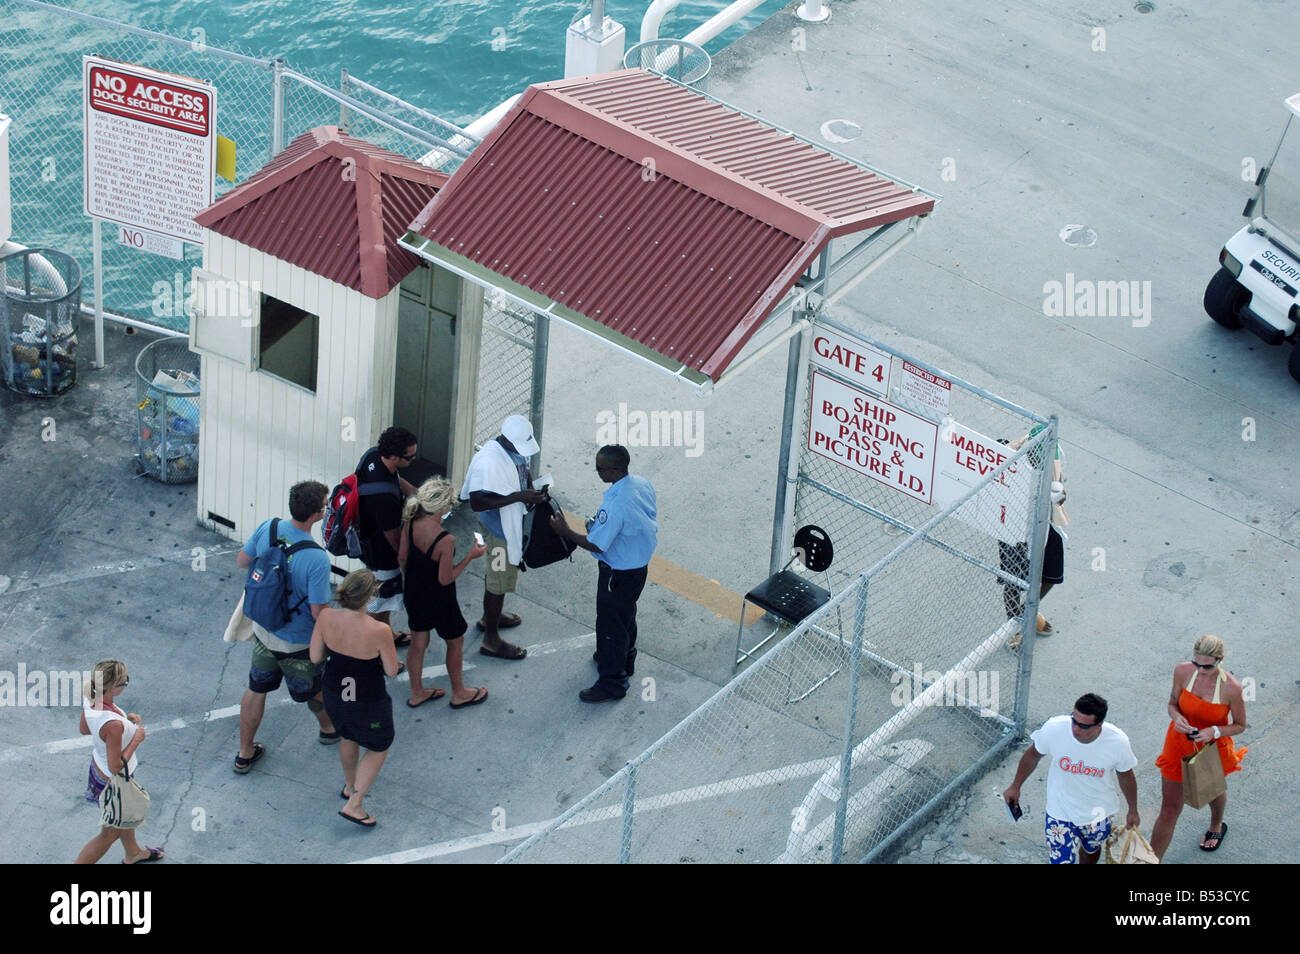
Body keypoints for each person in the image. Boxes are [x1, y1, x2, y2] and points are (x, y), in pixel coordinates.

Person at [234, 480, 338, 772]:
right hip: (298, 643)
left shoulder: (269, 527)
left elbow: (243, 561)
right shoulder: (317, 558)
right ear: (317, 515)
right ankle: (329, 729)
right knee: (314, 689)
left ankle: (244, 753)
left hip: (264, 632)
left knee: (256, 688)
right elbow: (319, 611)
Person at [550, 444, 657, 703]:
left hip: (617, 572)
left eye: (600, 468)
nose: (597, 472)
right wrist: (598, 523)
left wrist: (565, 531)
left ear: (614, 469)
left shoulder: (616, 505)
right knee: (626, 613)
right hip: (637, 566)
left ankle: (612, 681)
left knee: (610, 624)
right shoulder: (641, 484)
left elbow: (597, 544)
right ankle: (626, 658)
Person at [309, 569, 402, 827]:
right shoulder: (379, 630)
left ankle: (351, 786)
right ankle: (355, 804)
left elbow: (316, 657)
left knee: (348, 736)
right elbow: (392, 670)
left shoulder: (326, 616)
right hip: (367, 698)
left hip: (335, 690)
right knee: (379, 745)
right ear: (370, 596)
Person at [1003, 693, 1140, 864]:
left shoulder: (1118, 742)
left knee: (1091, 850)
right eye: (1074, 721)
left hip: (1098, 813)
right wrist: (1015, 786)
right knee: (1060, 861)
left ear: (1099, 725)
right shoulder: (1054, 729)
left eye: (1083, 726)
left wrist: (1133, 809)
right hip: (1059, 813)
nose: (1076, 729)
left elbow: (1126, 775)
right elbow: (1033, 755)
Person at [1150, 634, 1248, 858]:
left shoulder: (1232, 688)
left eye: (1208, 666)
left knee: (1212, 791)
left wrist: (1214, 731)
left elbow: (1240, 725)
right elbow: (1172, 704)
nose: (1201, 670)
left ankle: (1216, 824)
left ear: (1220, 659)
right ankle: (1151, 860)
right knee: (1169, 809)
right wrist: (1176, 718)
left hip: (1209, 749)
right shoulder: (1182, 671)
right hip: (1178, 744)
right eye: (1197, 663)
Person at [460, 414, 546, 660]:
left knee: (497, 579)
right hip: (499, 534)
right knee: (497, 584)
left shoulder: (512, 448)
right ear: (508, 440)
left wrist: (529, 490)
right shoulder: (488, 461)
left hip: (506, 528)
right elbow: (477, 502)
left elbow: (523, 470)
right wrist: (520, 497)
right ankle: (491, 640)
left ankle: (490, 618)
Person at [399, 477, 490, 708]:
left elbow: (402, 557)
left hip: (414, 591)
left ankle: (416, 692)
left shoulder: (410, 522)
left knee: (418, 642)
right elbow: (445, 578)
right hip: (440, 600)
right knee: (455, 642)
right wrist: (470, 556)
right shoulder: (444, 539)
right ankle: (459, 692)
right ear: (442, 507)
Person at [75, 660, 164, 864]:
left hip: (99, 770)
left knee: (125, 816)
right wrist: (135, 739)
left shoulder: (92, 696)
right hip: (113, 781)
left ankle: (133, 853)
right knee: (108, 835)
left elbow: (85, 728)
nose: (126, 684)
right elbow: (116, 766)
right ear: (113, 688)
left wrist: (128, 723)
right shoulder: (114, 725)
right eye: (125, 682)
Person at [1001, 426, 1067, 649]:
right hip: (1017, 530)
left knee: (1052, 575)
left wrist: (1059, 497)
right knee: (1014, 582)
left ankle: (1028, 611)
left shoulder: (1055, 454)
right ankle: (1016, 627)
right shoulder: (1014, 464)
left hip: (1046, 525)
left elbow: (1059, 483)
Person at [356, 426, 420, 648]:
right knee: (381, 604)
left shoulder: (374, 455)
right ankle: (377, 650)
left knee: (380, 602)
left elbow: (396, 478)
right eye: (410, 457)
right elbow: (394, 540)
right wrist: (409, 560)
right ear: (394, 457)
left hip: (368, 542)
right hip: (382, 556)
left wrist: (417, 495)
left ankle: (387, 635)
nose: (413, 459)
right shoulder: (382, 498)